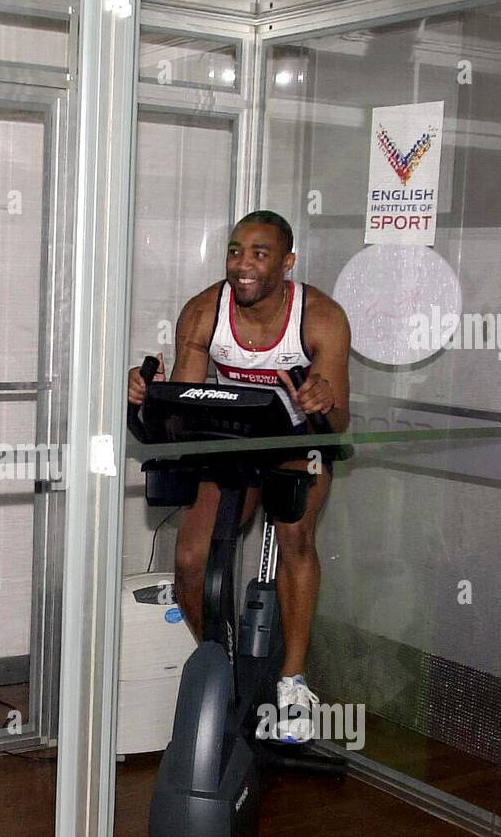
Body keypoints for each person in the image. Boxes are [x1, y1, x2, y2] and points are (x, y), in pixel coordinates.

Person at [128, 210, 351, 743]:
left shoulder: (320, 316)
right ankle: (223, 672)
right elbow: (186, 409)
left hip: (301, 443)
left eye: (259, 253)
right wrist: (148, 394)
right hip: (234, 442)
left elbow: (339, 423)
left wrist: (324, 399)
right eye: (234, 252)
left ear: (287, 262)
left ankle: (292, 681)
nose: (242, 265)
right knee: (190, 558)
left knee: (296, 537)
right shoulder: (206, 311)